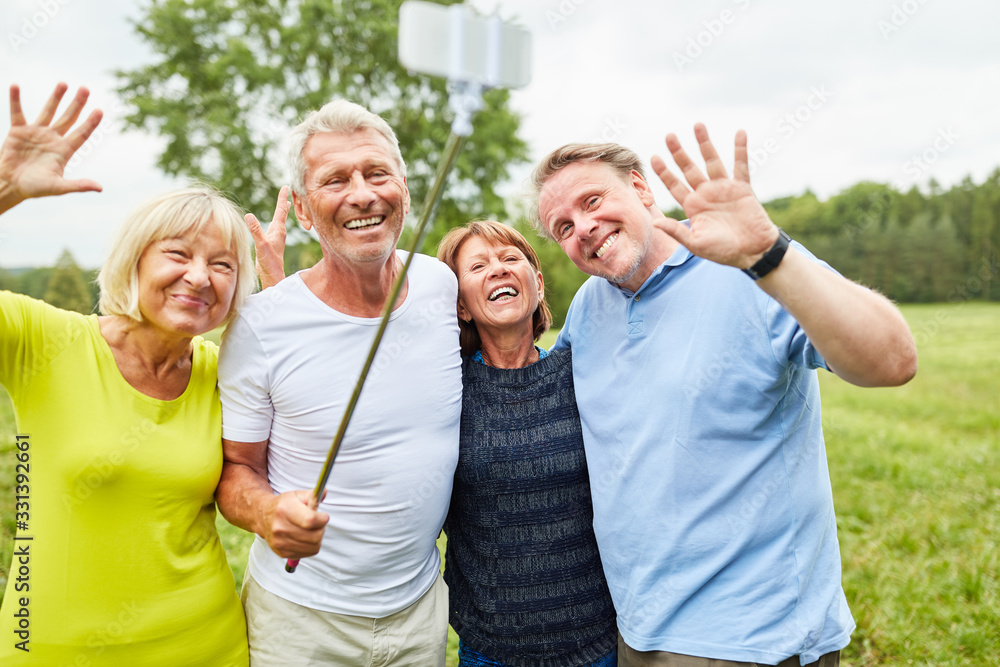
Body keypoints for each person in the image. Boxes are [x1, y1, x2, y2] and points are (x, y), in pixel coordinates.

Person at [529, 125, 918, 667]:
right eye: (563, 227)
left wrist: (767, 253)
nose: (584, 229)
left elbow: (892, 361)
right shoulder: (590, 308)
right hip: (636, 631)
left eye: (593, 201)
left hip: (755, 638)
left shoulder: (749, 269)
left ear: (641, 189)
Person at [0, 83, 253, 665]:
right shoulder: (47, 340)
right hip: (49, 649)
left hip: (206, 646)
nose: (200, 277)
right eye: (177, 254)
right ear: (132, 259)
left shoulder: (227, 374)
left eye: (222, 264)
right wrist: (7, 189)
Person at [215, 99, 462, 665]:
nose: (362, 194)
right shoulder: (259, 325)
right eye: (335, 180)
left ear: (403, 186)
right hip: (302, 623)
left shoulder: (439, 285)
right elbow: (238, 470)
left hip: (421, 612)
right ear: (303, 209)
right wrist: (267, 514)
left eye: (378, 173)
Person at [436, 220, 617, 667]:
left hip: (597, 641)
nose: (498, 270)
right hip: (490, 647)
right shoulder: (442, 389)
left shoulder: (583, 373)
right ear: (460, 306)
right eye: (478, 266)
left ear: (536, 285)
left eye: (510, 259)